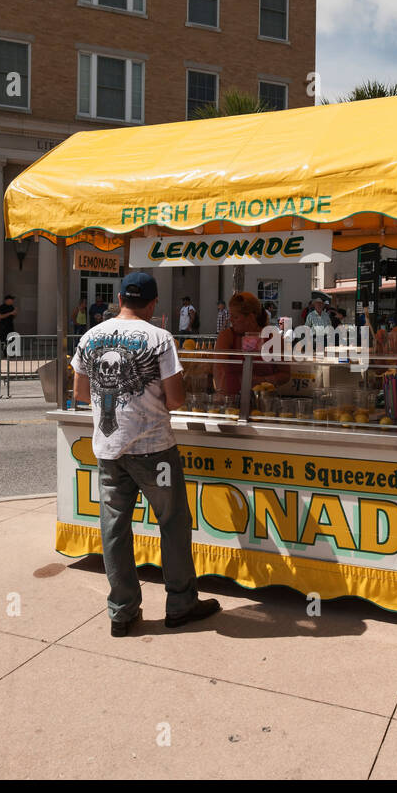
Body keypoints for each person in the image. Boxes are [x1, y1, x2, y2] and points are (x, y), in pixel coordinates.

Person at [71, 272, 219, 636]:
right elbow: (177, 399)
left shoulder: (90, 336)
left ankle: (122, 612)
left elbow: (77, 392)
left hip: (109, 448)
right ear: (152, 304)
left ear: (120, 297)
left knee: (114, 528)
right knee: (172, 524)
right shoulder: (160, 338)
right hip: (154, 449)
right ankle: (181, 604)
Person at [214, 291, 290, 394]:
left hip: (264, 401)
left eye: (235, 317)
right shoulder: (226, 336)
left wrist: (262, 381)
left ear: (250, 317)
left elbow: (285, 374)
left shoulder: (273, 338)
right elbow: (219, 371)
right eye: (230, 316)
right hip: (231, 403)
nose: (231, 320)